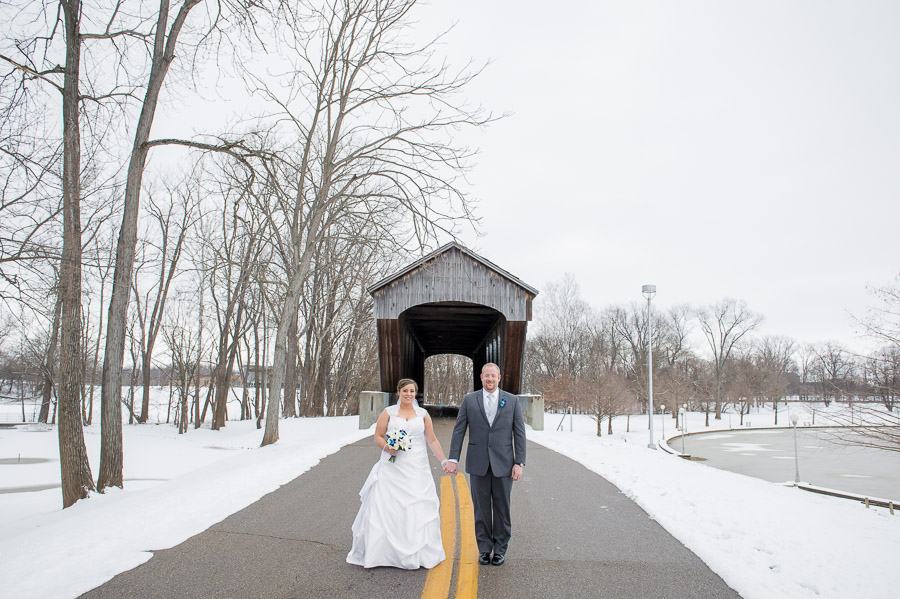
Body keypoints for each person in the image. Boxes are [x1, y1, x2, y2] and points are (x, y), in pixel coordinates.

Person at [347, 378, 450, 569]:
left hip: (417, 467)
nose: (408, 394)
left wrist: (444, 460)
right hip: (392, 466)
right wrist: (387, 447)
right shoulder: (389, 413)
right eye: (405, 391)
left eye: (412, 391)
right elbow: (377, 436)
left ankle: (417, 550)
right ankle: (384, 552)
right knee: (388, 505)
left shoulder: (423, 414)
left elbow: (432, 440)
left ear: (415, 393)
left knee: (416, 505)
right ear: (399, 392)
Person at [444, 363, 526, 567]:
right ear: (481, 377)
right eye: (486, 376)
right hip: (478, 463)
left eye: (493, 376)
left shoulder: (512, 401)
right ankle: (484, 548)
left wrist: (519, 462)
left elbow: (519, 433)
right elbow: (459, 429)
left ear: (500, 377)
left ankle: (500, 549)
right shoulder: (469, 400)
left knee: (501, 508)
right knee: (480, 509)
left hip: (504, 464)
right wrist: (453, 458)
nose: (490, 379)